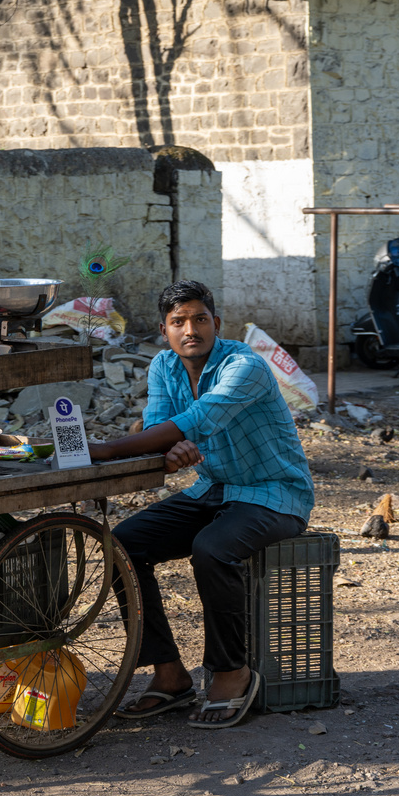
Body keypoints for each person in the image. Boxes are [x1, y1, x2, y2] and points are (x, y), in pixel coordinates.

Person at [92, 280, 313, 730]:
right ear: (164, 329)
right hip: (214, 489)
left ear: (217, 323)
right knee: (123, 543)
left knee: (213, 548)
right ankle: (169, 676)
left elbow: (197, 419)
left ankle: (232, 671)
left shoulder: (244, 366)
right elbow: (162, 429)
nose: (190, 329)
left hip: (275, 493)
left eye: (199, 319)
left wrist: (106, 449)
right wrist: (168, 451)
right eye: (179, 322)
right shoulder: (164, 366)